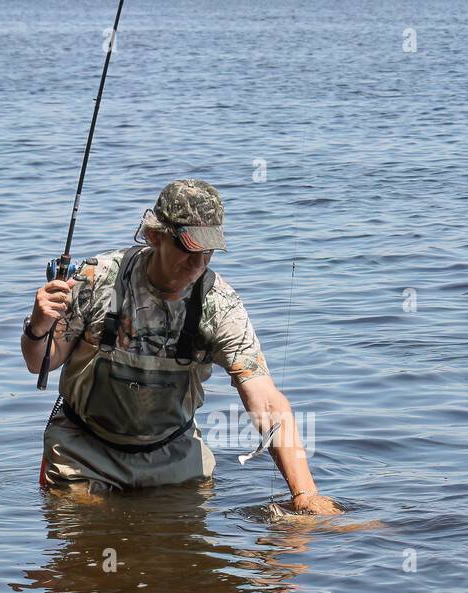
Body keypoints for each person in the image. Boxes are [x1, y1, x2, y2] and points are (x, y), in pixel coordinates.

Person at [22, 179, 342, 515]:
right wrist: (39, 324)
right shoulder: (96, 279)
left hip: (173, 455)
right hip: (84, 453)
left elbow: (267, 401)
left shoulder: (219, 304)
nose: (198, 264)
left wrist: (305, 495)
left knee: (179, 553)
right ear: (154, 236)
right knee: (86, 536)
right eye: (189, 249)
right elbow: (39, 362)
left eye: (208, 252)